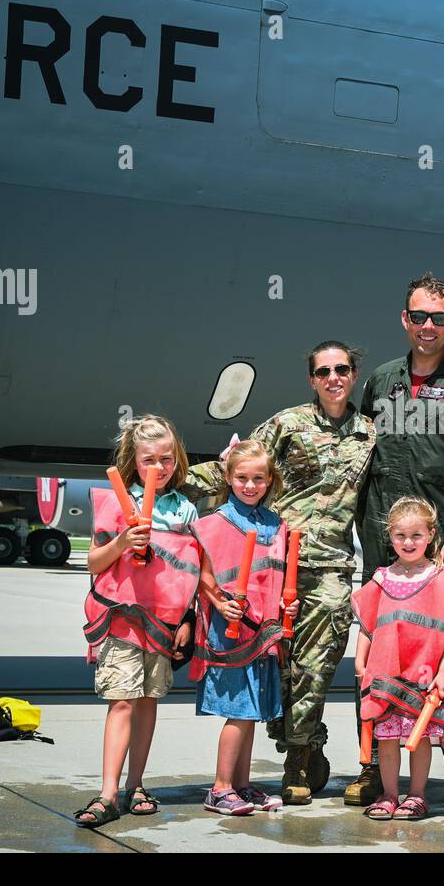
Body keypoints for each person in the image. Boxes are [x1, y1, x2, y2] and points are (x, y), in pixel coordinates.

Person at [183, 341, 375, 804]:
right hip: (275, 563)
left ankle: (298, 759)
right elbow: (239, 466)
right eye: (324, 371)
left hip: (330, 567)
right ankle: (299, 738)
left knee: (315, 669)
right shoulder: (288, 424)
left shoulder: (370, 433)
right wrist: (168, 481)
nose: (334, 377)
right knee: (275, 670)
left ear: (353, 376)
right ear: (312, 379)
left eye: (342, 369)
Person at [353, 272, 444, 811]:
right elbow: (358, 456)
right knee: (378, 658)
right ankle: (372, 765)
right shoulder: (383, 382)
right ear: (405, 320)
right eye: (419, 316)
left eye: (438, 317)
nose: (428, 326)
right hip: (384, 541)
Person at [75, 414, 201, 827]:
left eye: (166, 459)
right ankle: (108, 792)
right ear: (133, 460)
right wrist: (122, 542)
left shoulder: (184, 510)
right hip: (122, 619)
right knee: (122, 700)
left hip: (163, 625)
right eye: (149, 460)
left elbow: (190, 571)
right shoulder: (118, 501)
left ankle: (136, 783)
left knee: (148, 701)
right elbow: (94, 563)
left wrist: (188, 619)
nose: (159, 468)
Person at [190, 440, 299, 816]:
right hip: (231, 631)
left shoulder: (275, 525)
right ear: (228, 477)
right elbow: (202, 575)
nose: (249, 486)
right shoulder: (215, 522)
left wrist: (288, 604)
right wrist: (220, 603)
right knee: (238, 709)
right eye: (242, 478)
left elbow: (277, 577)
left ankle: (240, 784)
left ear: (270, 480)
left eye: (258, 479)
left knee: (252, 711)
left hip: (264, 632)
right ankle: (220, 788)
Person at [353, 497, 444, 820]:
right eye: (400, 536)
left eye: (416, 535)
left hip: (423, 673)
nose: (408, 542)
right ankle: (389, 793)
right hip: (386, 671)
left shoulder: (439, 578)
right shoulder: (381, 578)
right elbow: (367, 624)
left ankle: (416, 795)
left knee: (419, 739)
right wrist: (360, 661)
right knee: (388, 738)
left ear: (431, 535)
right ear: (390, 536)